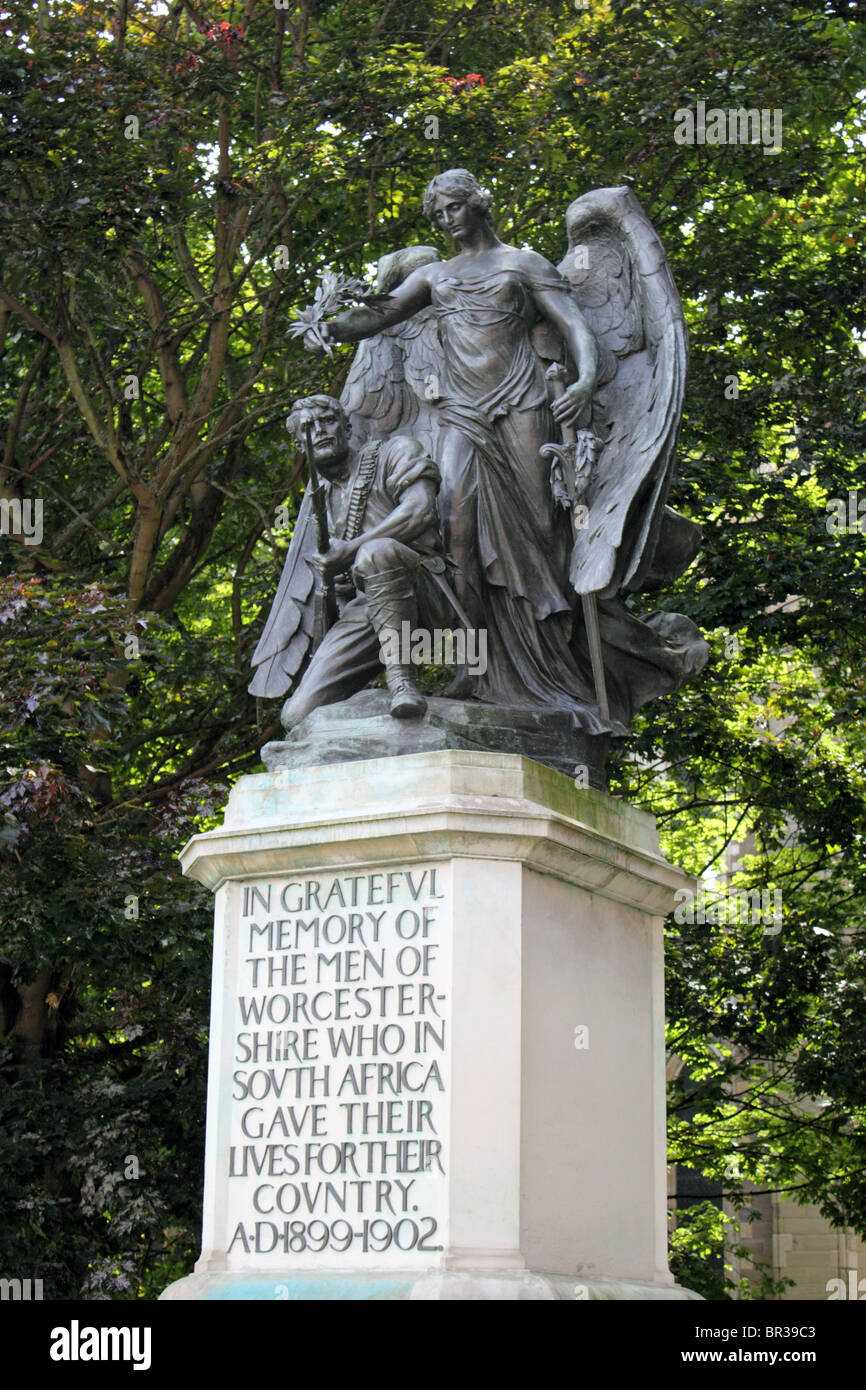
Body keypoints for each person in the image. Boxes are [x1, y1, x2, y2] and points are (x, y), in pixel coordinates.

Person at [309, 169, 610, 729]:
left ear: (478, 202)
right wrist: (332, 324)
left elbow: (575, 328)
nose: (446, 220)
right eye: (437, 214)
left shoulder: (524, 264)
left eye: (452, 207)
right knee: (456, 534)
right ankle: (469, 668)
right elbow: (380, 314)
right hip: (459, 414)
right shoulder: (433, 275)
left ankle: (541, 664)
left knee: (539, 531)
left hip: (521, 402)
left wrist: (585, 382)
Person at [249, 394, 455, 725]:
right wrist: (333, 581)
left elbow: (420, 511)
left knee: (376, 553)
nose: (321, 431)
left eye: (328, 421)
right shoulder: (322, 508)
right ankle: (380, 719)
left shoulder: (395, 452)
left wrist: (352, 549)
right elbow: (341, 596)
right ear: (301, 447)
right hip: (369, 608)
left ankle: (402, 681)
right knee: (298, 715)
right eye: (309, 428)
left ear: (346, 426)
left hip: (428, 588)